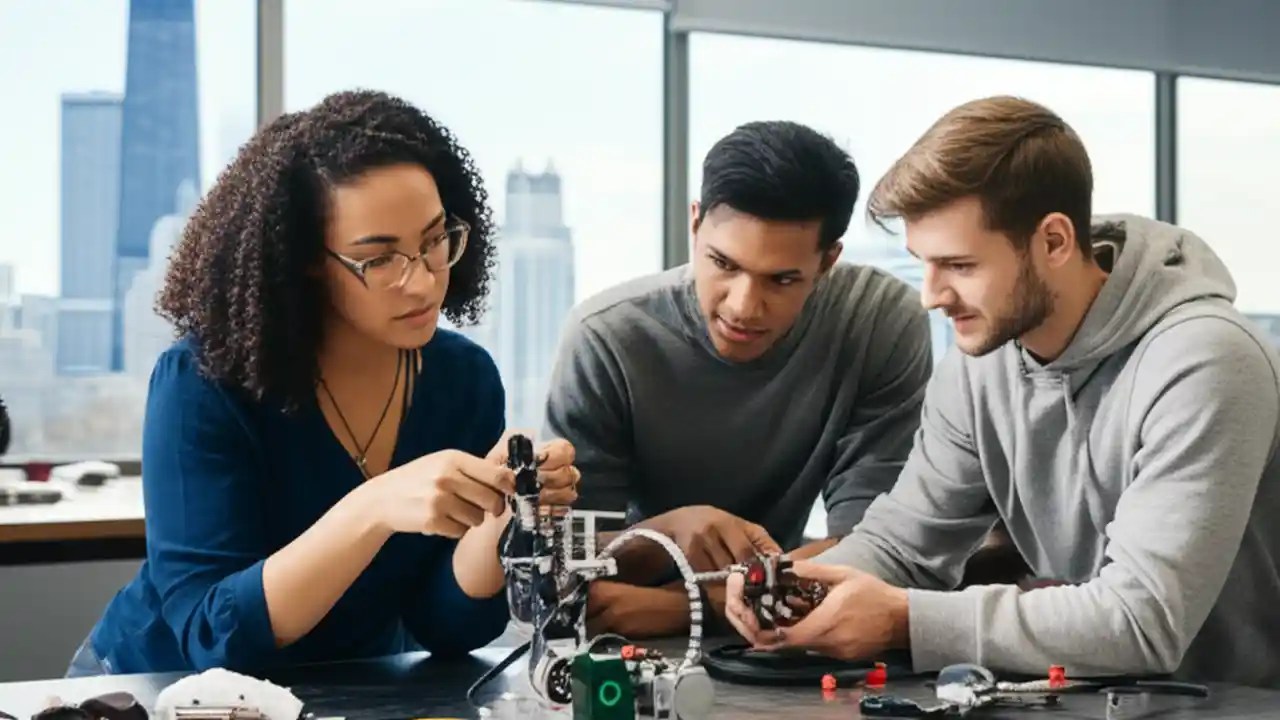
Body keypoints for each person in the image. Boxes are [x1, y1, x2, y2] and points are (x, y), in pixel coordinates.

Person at [725, 95, 1280, 688]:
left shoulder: (1204, 361)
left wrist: (904, 622)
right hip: (1092, 699)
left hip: (1236, 703)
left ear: (1055, 242)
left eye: (959, 266)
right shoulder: (982, 359)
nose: (931, 296)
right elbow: (903, 546)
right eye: (923, 264)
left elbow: (1141, 620)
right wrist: (790, 586)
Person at [68, 90, 580, 677]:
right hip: (156, 690)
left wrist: (501, 516)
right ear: (305, 258)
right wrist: (374, 507)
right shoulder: (204, 383)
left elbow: (443, 626)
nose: (423, 284)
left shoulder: (464, 380)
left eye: (435, 240)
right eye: (380, 259)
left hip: (345, 692)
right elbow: (211, 635)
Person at [543, 120, 934, 638]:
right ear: (694, 225)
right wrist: (666, 535)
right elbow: (565, 576)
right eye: (723, 263)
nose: (744, 306)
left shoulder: (879, 322)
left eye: (783, 279)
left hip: (773, 637)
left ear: (828, 262)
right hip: (634, 646)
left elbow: (879, 548)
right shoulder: (607, 338)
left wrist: (690, 606)